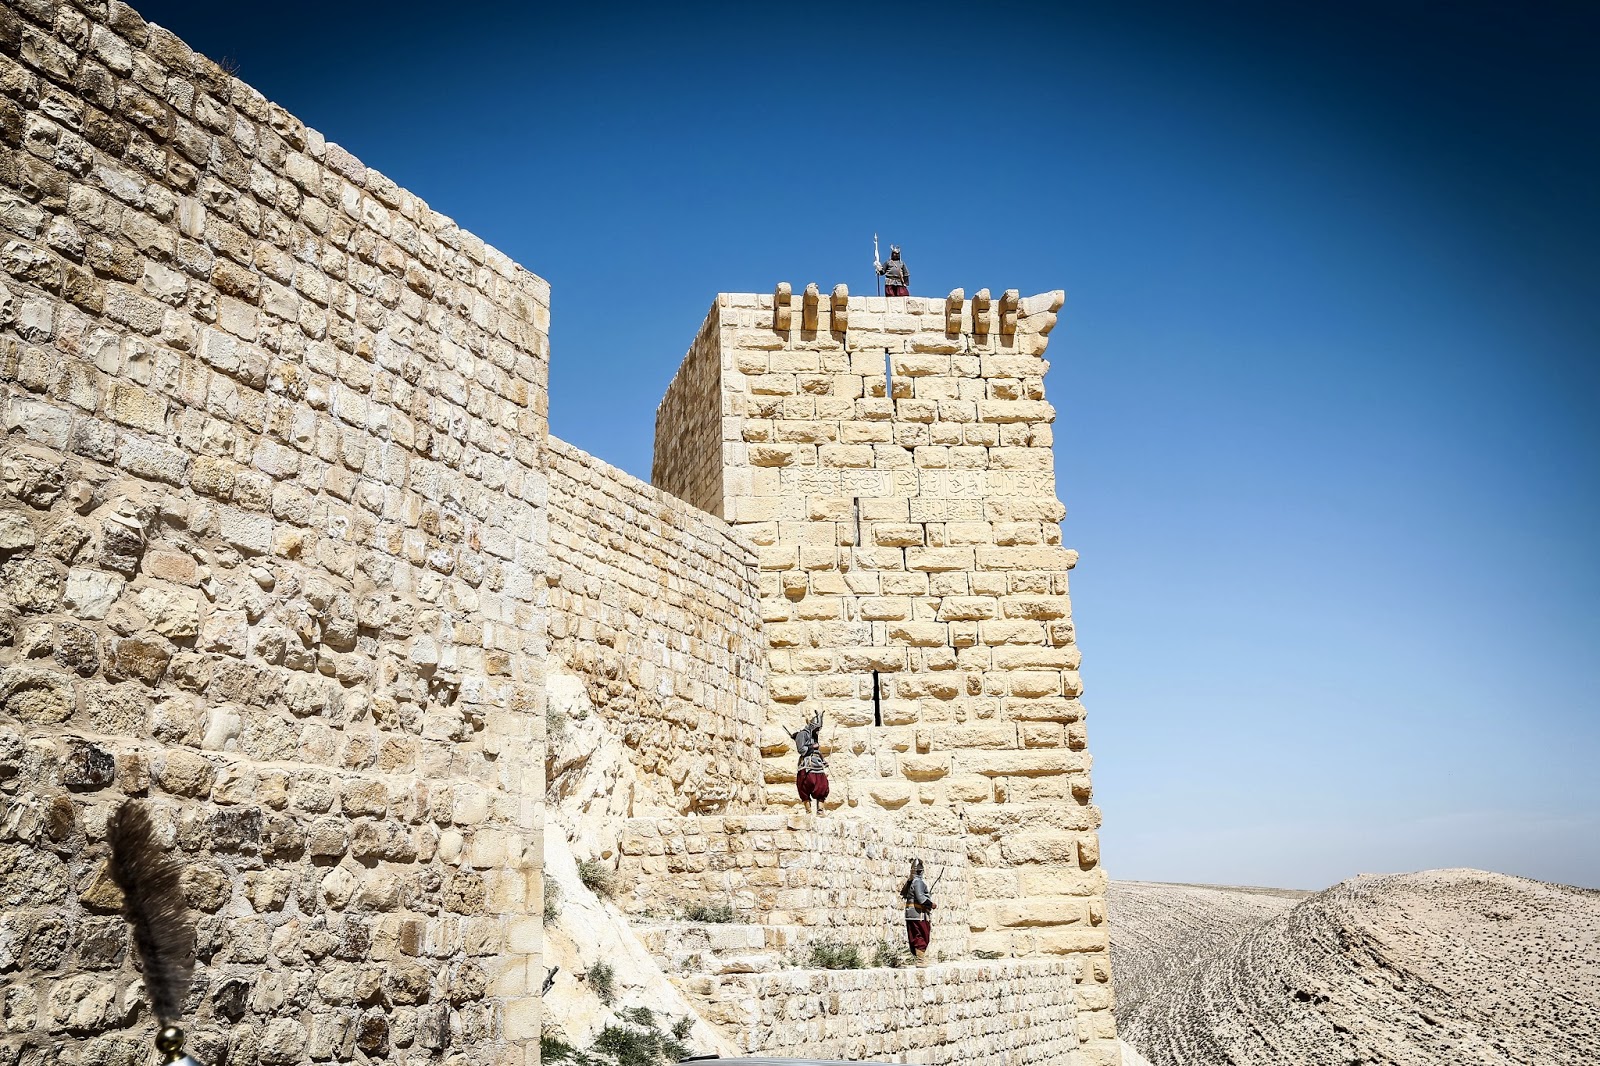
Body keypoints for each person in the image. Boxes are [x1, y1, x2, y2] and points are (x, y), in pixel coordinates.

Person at [791, 711, 829, 815]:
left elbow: (818, 751)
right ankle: (808, 811)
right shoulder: (802, 734)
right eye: (817, 728)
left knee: (823, 786)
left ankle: (820, 810)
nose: (818, 731)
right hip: (807, 764)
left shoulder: (813, 736)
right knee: (805, 786)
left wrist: (823, 761)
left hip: (818, 764)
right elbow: (801, 749)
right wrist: (812, 747)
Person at [900, 858, 935, 962]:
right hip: (918, 914)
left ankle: (919, 958)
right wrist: (931, 904)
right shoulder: (918, 882)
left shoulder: (910, 882)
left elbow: (905, 894)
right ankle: (920, 959)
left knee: (915, 935)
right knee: (921, 935)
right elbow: (921, 898)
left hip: (910, 914)